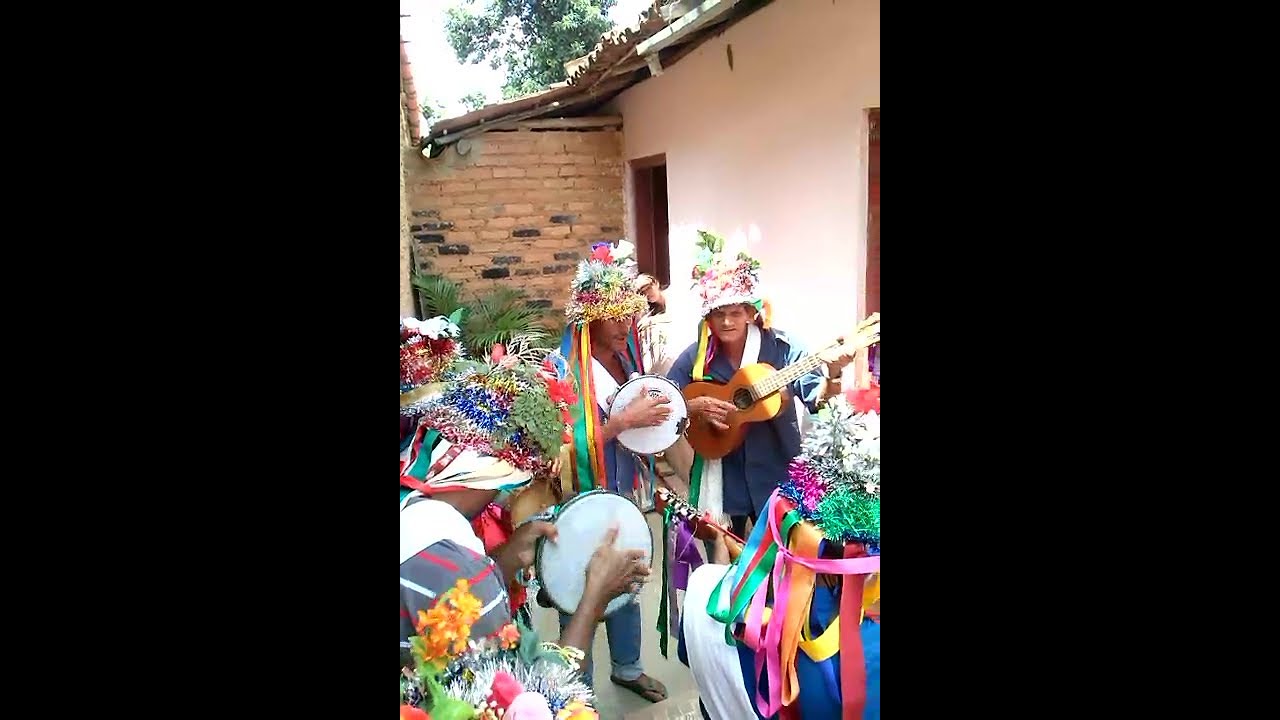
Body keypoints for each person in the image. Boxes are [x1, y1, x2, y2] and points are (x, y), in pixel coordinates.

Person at [399, 354, 653, 667]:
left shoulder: (415, 522)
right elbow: (533, 692)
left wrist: (502, 563)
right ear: (493, 474)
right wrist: (594, 599)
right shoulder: (458, 571)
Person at [665, 231, 856, 537]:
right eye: (719, 314)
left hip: (776, 471)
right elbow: (666, 399)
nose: (727, 322)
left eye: (735, 313)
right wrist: (693, 406)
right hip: (725, 477)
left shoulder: (783, 348)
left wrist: (833, 375)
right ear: (708, 318)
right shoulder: (698, 355)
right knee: (727, 553)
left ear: (751, 313)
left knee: (782, 555)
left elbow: (820, 403)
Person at [558, 240, 671, 703]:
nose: (626, 324)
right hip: (580, 501)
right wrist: (621, 423)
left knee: (628, 574)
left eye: (630, 314)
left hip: (624, 492)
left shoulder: (626, 360)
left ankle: (628, 667)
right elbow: (559, 451)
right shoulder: (561, 370)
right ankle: (574, 691)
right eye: (615, 316)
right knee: (577, 587)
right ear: (589, 318)